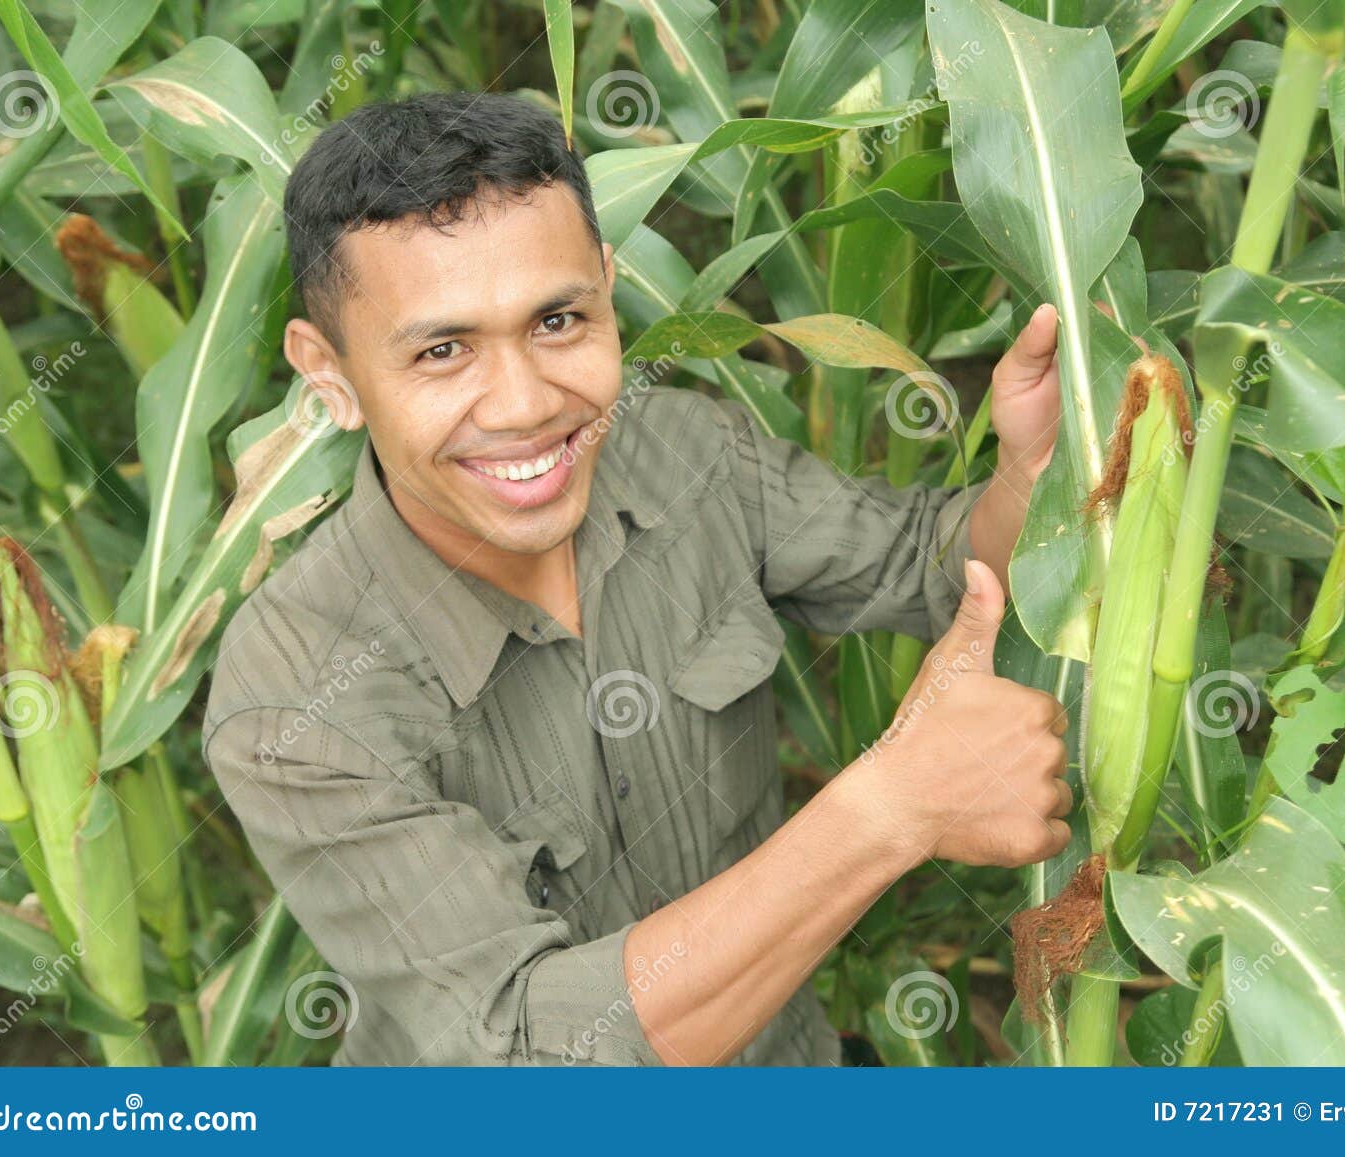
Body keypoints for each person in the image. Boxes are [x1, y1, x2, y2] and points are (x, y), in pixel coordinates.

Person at [203, 91, 1072, 1067]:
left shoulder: (689, 455)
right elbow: (528, 1056)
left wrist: (1030, 475)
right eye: (443, 351)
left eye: (557, 320)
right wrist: (889, 809)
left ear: (608, 291)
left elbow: (934, 563)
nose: (525, 405)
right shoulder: (294, 693)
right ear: (328, 373)